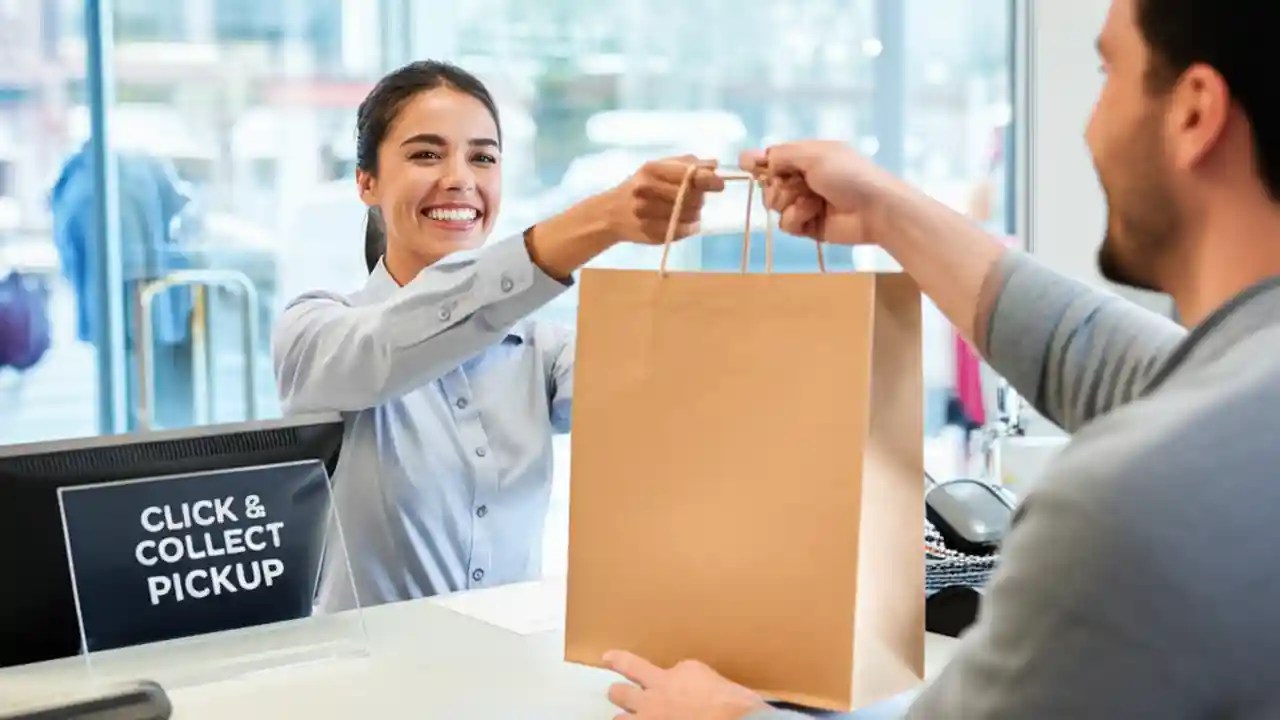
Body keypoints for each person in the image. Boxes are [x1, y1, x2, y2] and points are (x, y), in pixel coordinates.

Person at [603, 0, 1280, 717]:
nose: (1087, 125)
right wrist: (887, 212)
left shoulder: (1126, 511)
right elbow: (1102, 357)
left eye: (1108, 70)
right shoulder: (1242, 393)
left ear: (1195, 112)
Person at [272, 60, 724, 611]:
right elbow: (385, 346)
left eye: (482, 157)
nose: (460, 177)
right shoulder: (316, 334)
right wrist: (601, 220)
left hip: (512, 677)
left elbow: (681, 395)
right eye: (426, 154)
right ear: (367, 182)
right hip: (376, 685)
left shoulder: (542, 352)